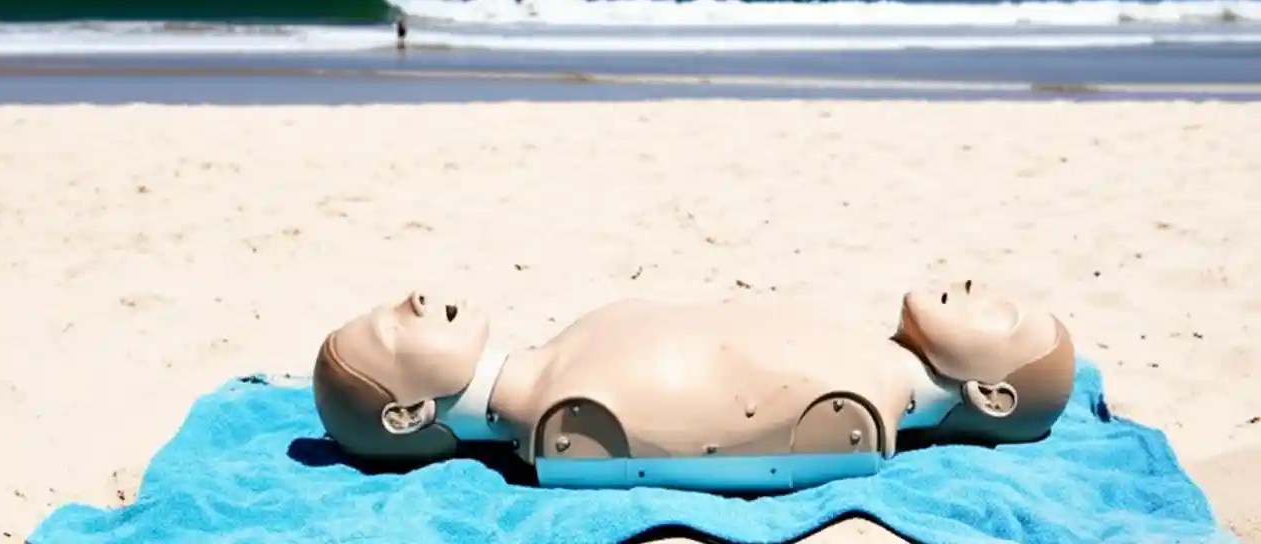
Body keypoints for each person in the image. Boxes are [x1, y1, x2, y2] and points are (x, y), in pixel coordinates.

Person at [312, 279, 1075, 491]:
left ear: (993, 397)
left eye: (997, 314)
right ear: (408, 415)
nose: (413, 298)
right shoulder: (562, 414)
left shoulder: (855, 401)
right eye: (389, 330)